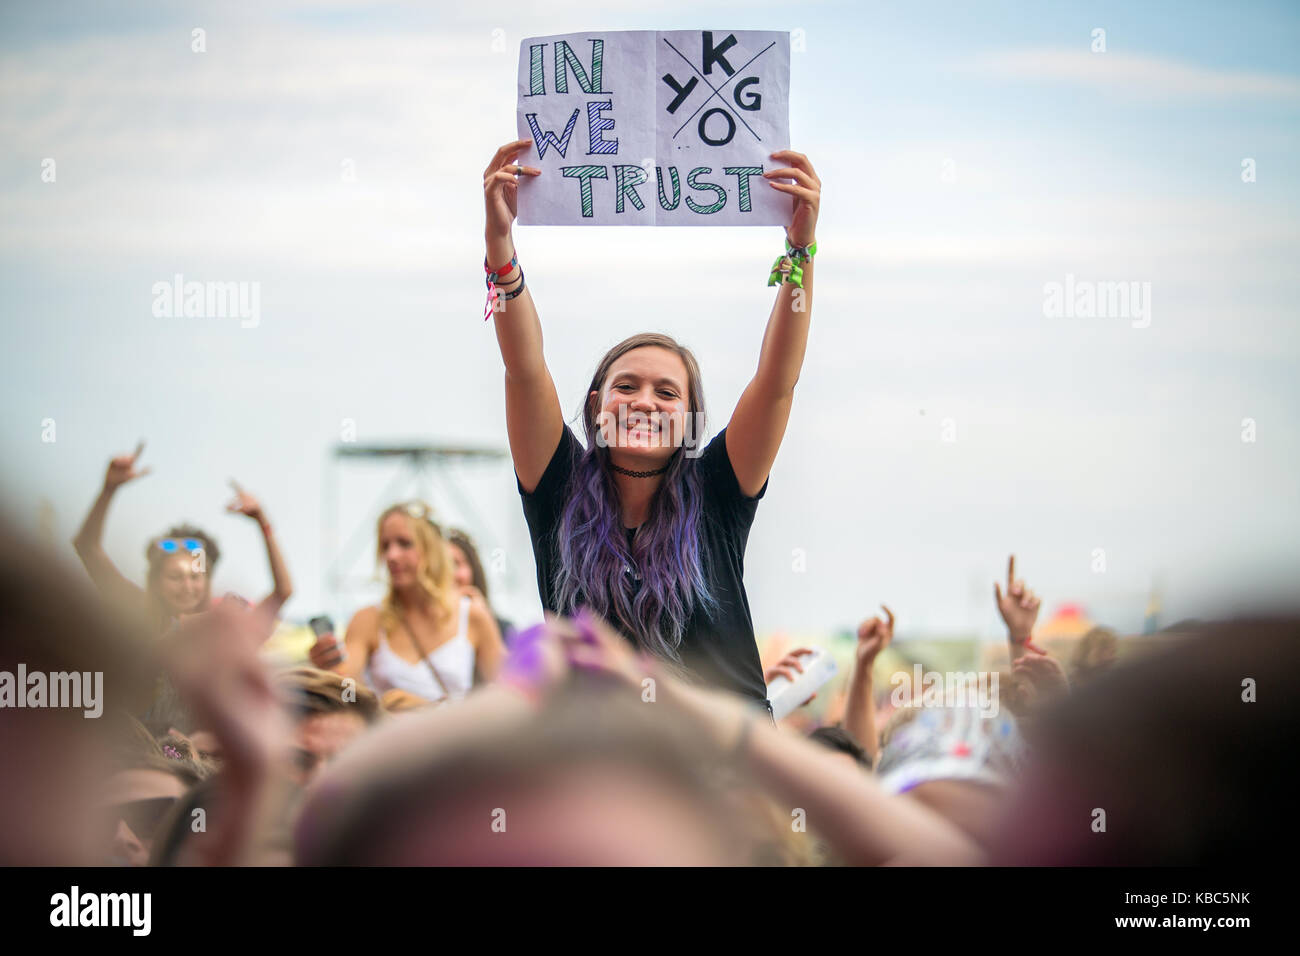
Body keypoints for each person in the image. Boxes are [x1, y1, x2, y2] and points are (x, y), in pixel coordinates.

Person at [482, 137, 821, 714]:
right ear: (595, 407)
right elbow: (524, 366)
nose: (644, 401)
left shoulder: (717, 487)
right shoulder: (556, 482)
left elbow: (776, 381)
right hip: (600, 773)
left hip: (723, 773)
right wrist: (499, 243)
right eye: (625, 386)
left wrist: (801, 247)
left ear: (690, 421)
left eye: (667, 392)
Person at [72, 442, 293, 635]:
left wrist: (262, 520)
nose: (187, 586)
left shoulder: (227, 629)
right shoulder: (141, 614)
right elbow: (87, 547)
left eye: (195, 577)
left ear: (208, 581)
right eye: (175, 577)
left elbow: (282, 592)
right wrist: (108, 490)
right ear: (155, 581)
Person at [309, 502, 506, 706]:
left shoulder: (472, 615)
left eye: (404, 543)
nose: (392, 556)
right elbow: (346, 694)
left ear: (432, 549)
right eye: (385, 546)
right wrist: (326, 671)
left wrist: (427, 709)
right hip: (391, 737)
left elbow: (510, 695)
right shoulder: (367, 619)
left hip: (454, 737)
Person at [446, 527, 517, 650]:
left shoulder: (502, 629)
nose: (449, 573)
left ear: (473, 570)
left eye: (455, 563)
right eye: (441, 565)